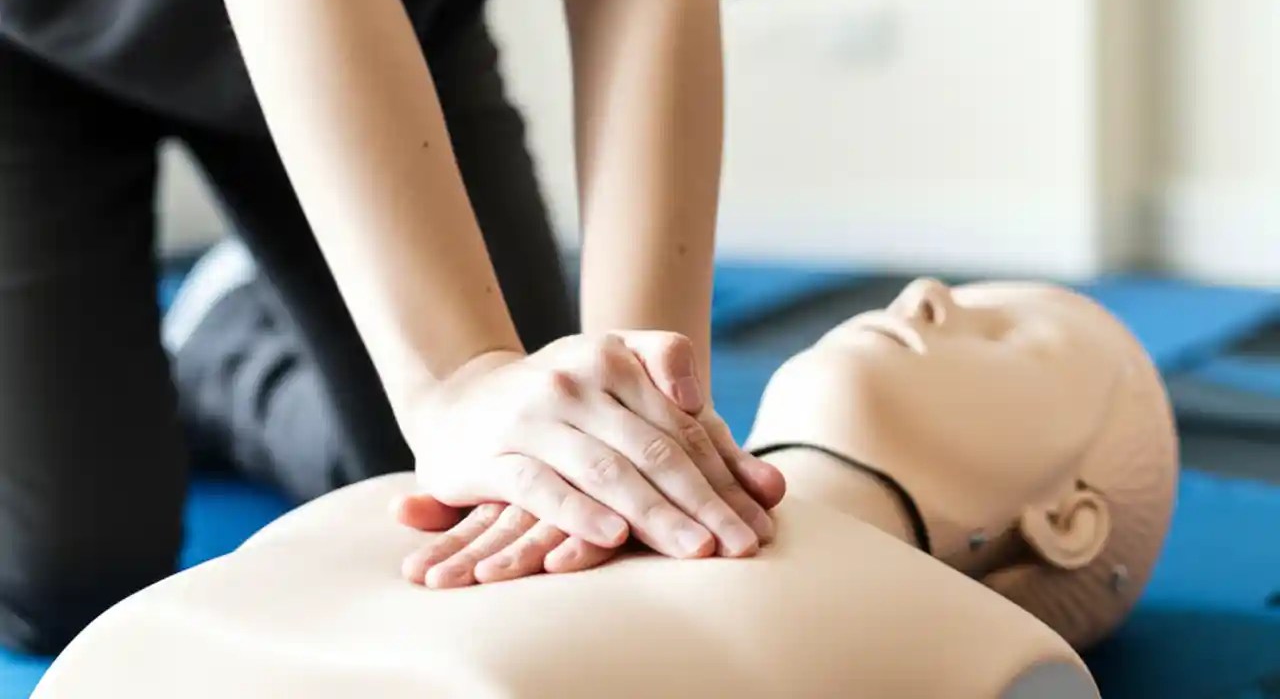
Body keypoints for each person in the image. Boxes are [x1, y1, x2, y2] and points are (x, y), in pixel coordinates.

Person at [0, 0, 783, 655]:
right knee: (68, 578)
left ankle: (223, 331)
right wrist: (456, 381)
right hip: (36, 42)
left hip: (387, 32)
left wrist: (640, 404)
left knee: (460, 492)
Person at [30, 278, 1175, 698]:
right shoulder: (487, 467)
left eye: (1013, 335)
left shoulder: (983, 658)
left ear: (1065, 520)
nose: (924, 292)